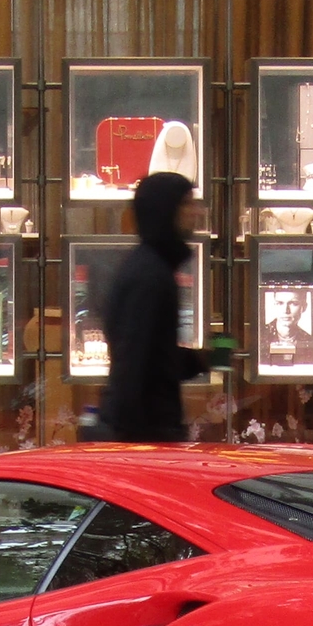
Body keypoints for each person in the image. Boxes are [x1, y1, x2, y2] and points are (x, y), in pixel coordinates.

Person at [98, 171, 207, 443]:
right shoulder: (150, 275)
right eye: (185, 204)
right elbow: (134, 363)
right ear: (165, 210)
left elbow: (156, 356)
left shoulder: (150, 267)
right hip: (147, 436)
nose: (194, 213)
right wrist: (139, 443)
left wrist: (200, 360)